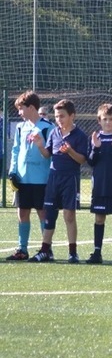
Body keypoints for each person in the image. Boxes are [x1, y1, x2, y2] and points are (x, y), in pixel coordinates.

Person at [28, 99, 89, 263]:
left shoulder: (80, 136)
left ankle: (73, 252)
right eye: (56, 116)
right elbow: (48, 154)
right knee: (49, 215)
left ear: (72, 116)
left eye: (62, 116)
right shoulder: (54, 132)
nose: (59, 119)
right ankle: (45, 251)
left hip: (70, 179)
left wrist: (70, 151)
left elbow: (82, 159)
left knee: (69, 215)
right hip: (54, 178)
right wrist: (40, 144)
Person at [6, 91, 53, 260]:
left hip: (41, 178)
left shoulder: (47, 128)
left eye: (21, 108)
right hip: (23, 178)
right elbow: (16, 150)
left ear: (31, 108)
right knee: (22, 212)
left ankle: (46, 249)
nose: (19, 112)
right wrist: (13, 171)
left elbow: (51, 152)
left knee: (43, 212)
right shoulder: (20, 127)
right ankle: (22, 249)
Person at [85, 103, 112, 264]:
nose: (108, 122)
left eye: (111, 119)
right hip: (99, 184)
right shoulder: (95, 138)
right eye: (105, 119)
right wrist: (95, 148)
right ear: (99, 120)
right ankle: (97, 252)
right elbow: (91, 161)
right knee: (99, 218)